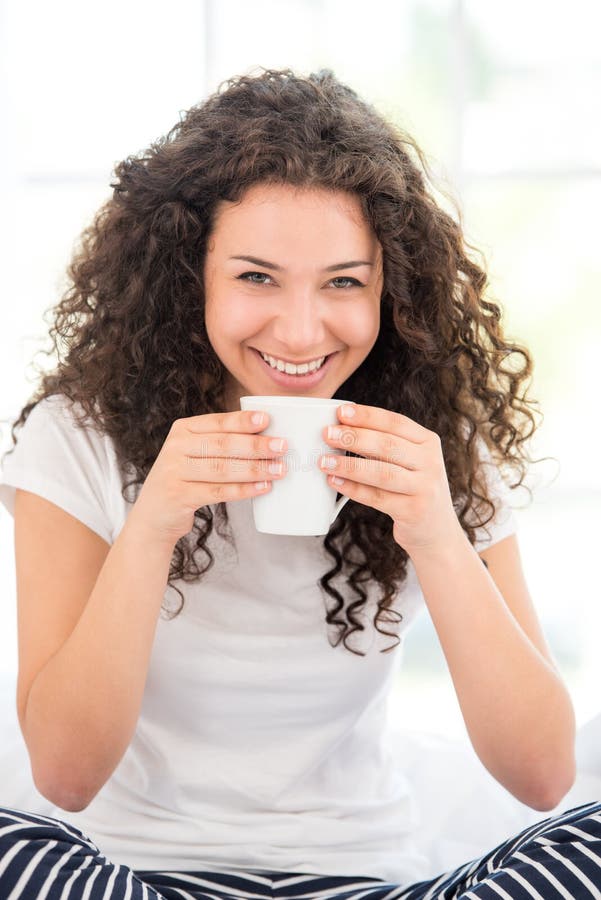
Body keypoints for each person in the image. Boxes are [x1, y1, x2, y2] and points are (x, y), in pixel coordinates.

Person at [0, 66, 599, 900]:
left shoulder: (438, 445)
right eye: (255, 277)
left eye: (343, 283)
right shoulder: (79, 437)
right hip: (134, 875)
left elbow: (542, 776)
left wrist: (435, 532)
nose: (301, 329)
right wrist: (151, 524)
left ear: (389, 289)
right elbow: (63, 777)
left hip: (368, 878)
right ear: (190, 278)